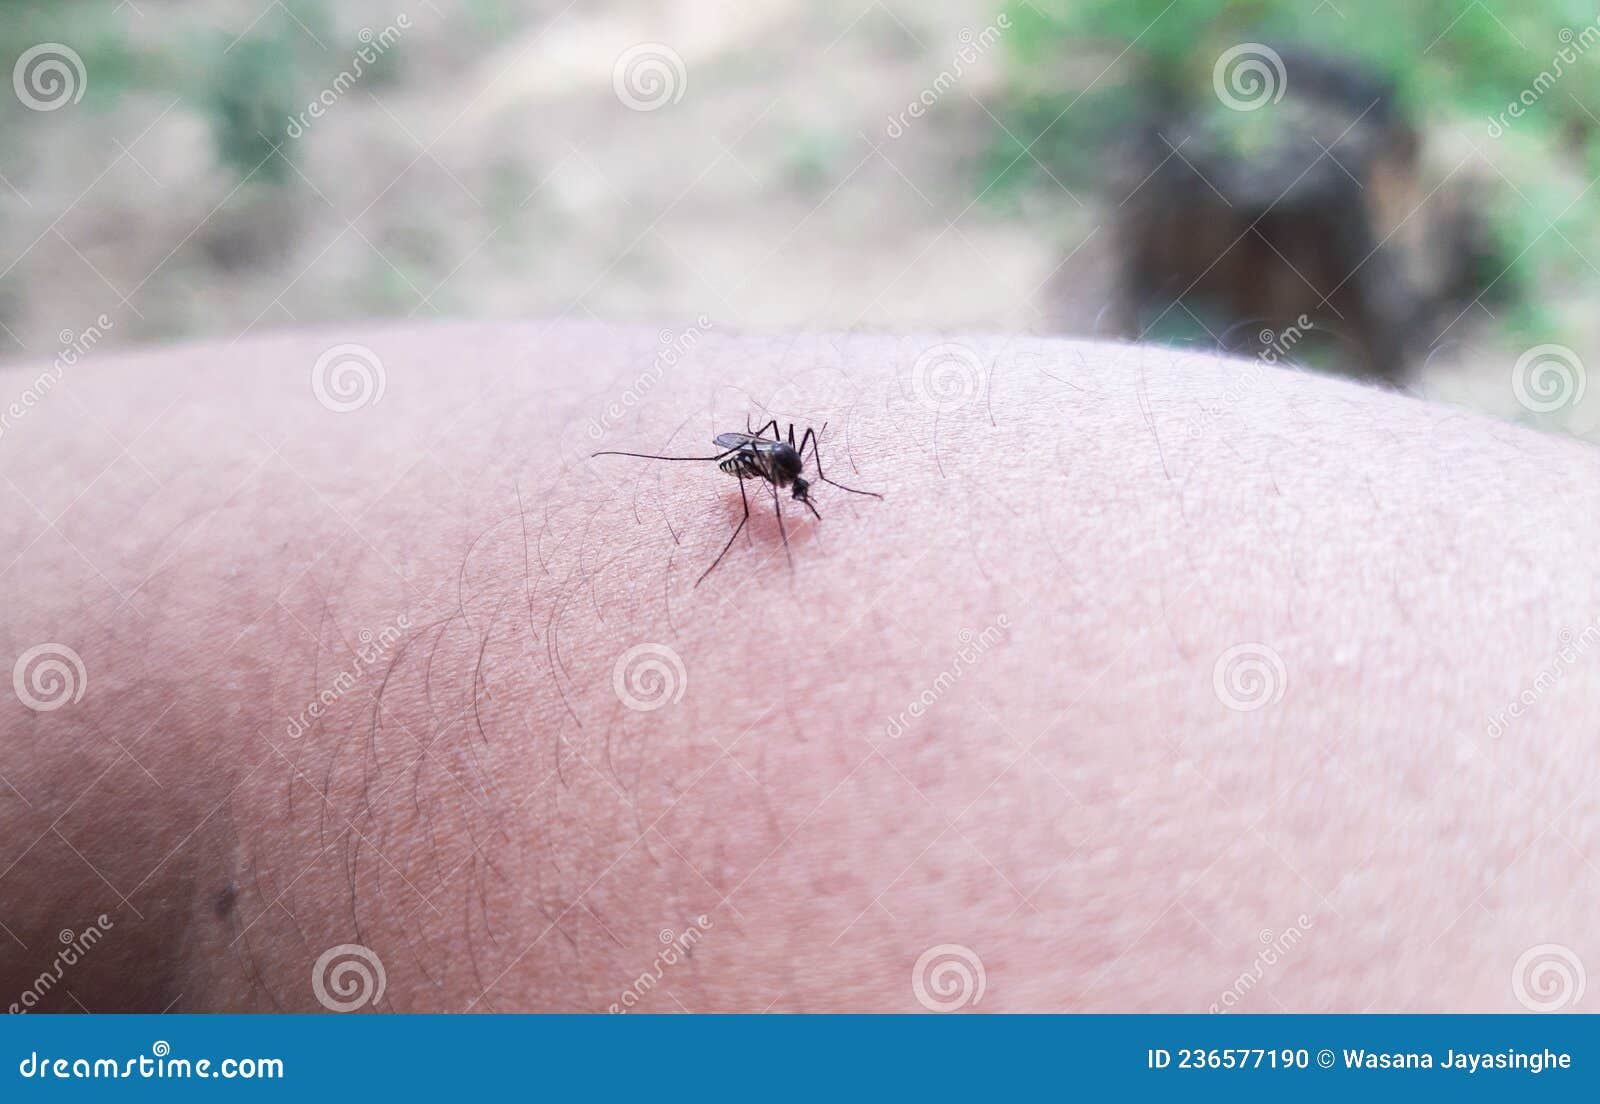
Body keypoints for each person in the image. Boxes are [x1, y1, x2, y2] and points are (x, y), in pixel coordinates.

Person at [1, 322, 1593, 1012]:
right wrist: (744, 498)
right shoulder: (750, 479)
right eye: (792, 485)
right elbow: (759, 465)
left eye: (793, 485)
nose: (794, 491)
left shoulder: (795, 472)